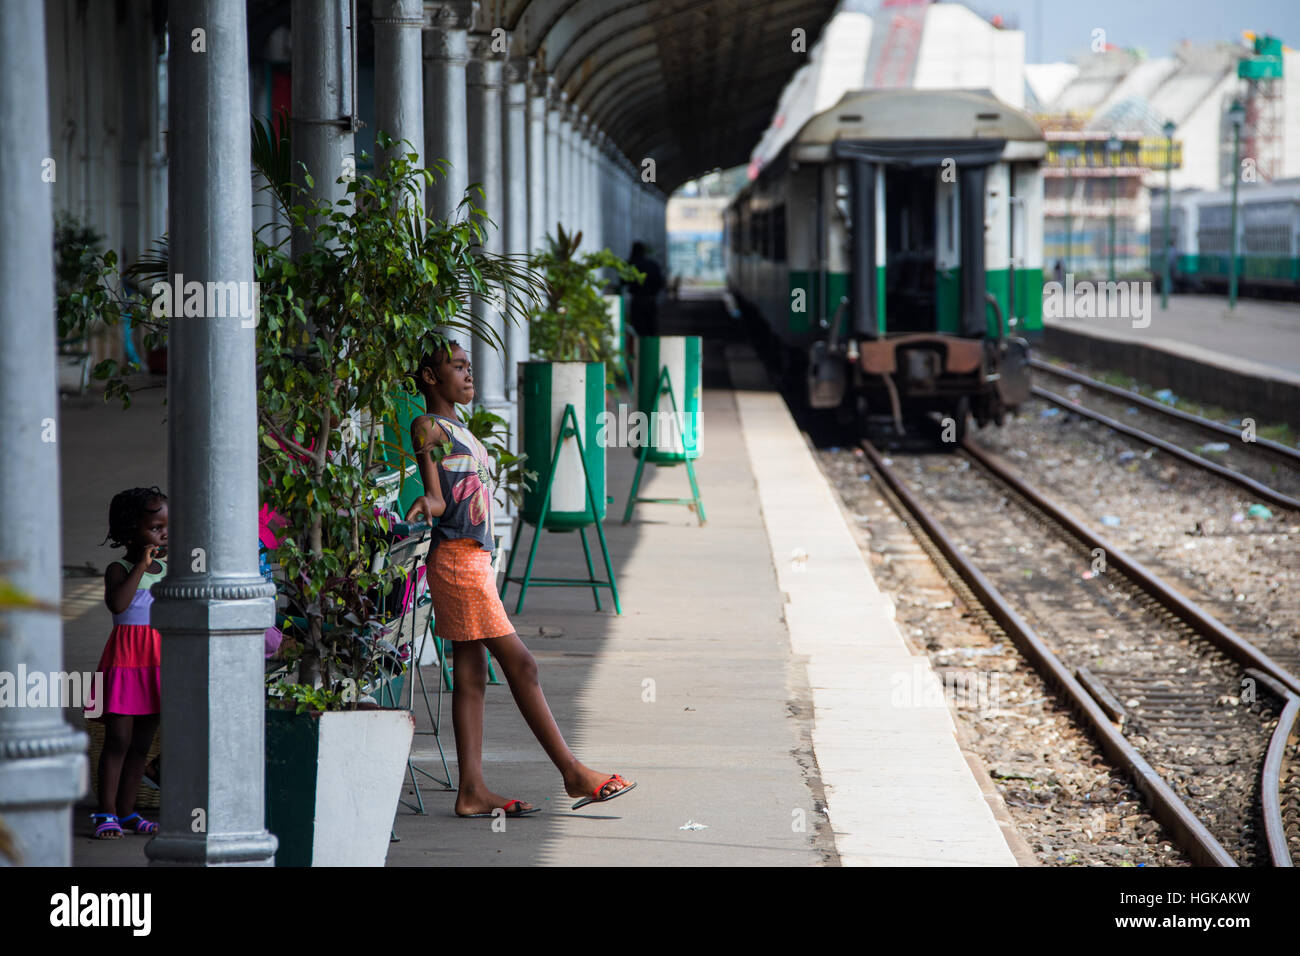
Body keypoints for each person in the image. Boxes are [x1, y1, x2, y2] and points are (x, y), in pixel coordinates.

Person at [403, 341, 636, 817]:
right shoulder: (428, 425)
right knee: (523, 665)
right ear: (429, 378)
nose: (470, 375)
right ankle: (572, 772)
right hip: (458, 562)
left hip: (473, 561)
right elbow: (438, 497)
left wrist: (439, 506)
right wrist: (425, 505)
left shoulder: (458, 427)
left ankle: (471, 791)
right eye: (458, 367)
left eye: (471, 367)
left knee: (470, 675)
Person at [87, 486, 168, 839]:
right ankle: (105, 813)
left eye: (167, 526)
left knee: (141, 744)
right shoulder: (118, 569)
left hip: (157, 663)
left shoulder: (171, 568)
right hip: (124, 663)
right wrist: (141, 565)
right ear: (130, 532)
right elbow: (118, 605)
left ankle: (127, 811)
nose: (163, 534)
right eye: (155, 528)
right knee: (118, 740)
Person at [626, 241, 665, 338]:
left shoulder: (631, 264)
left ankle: (640, 350)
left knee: (638, 329)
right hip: (651, 300)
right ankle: (651, 350)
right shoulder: (653, 264)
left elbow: (623, 281)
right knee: (651, 328)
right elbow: (661, 283)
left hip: (637, 301)